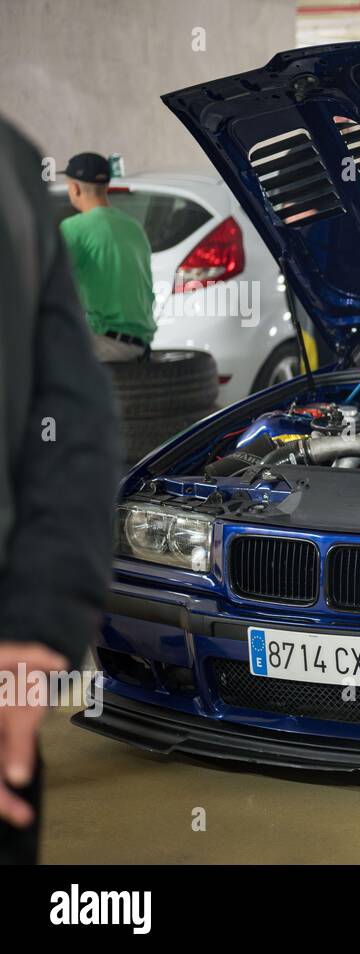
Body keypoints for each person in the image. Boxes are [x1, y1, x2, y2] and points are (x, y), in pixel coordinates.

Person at [0, 120, 121, 864]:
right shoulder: (13, 168)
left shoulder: (68, 228)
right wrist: (40, 629)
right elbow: (76, 416)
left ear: (77, 191)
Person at [59, 152, 156, 361]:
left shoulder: (75, 228)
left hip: (104, 343)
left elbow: (43, 278)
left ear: (74, 188)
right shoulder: (134, 228)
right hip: (140, 345)